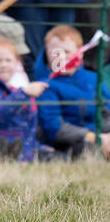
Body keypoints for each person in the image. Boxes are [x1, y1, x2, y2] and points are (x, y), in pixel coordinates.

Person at [32, 25, 110, 159]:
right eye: (55, 53)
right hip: (72, 143)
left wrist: (106, 136)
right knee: (90, 151)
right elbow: (54, 128)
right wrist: (93, 137)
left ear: (80, 52)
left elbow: (107, 110)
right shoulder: (46, 86)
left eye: (67, 52)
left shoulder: (94, 79)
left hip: (103, 136)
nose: (61, 57)